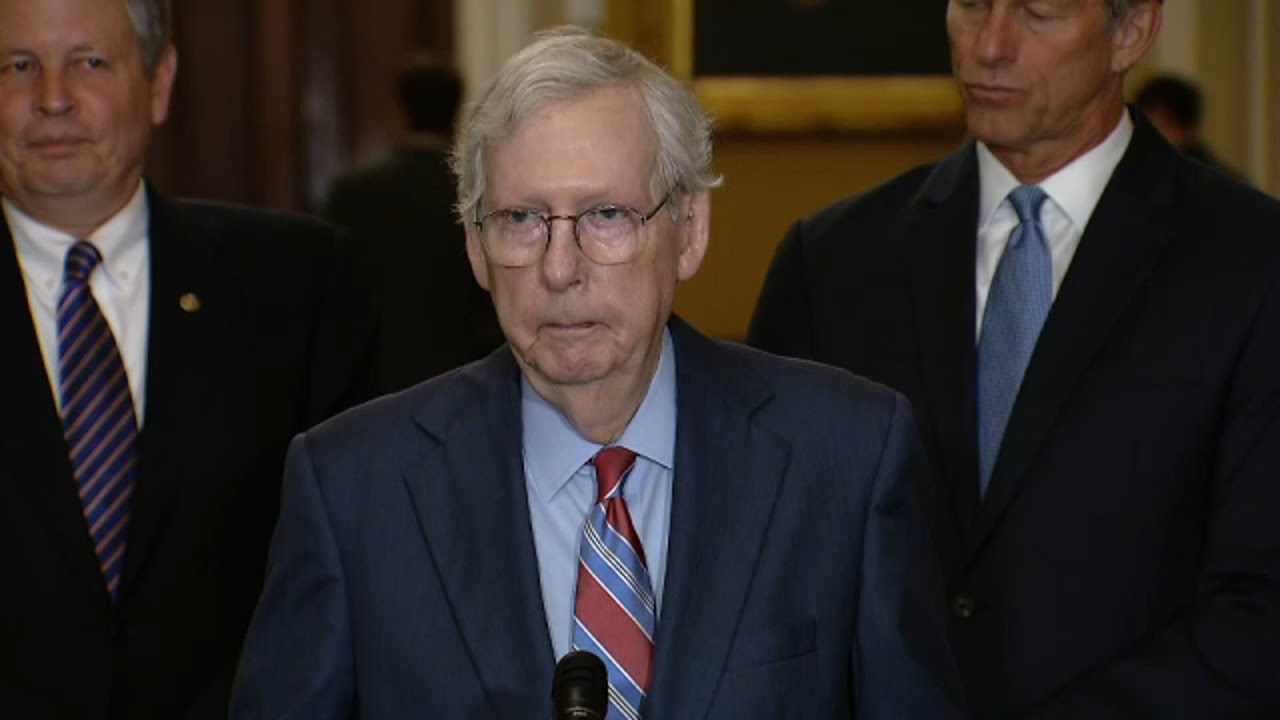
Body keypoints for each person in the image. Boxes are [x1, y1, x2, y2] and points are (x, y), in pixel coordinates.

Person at [230, 26, 965, 719]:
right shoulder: (354, 490)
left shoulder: (845, 459)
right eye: (521, 220)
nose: (559, 269)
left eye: (606, 215)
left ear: (690, 231)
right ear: (476, 250)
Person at [749, 0, 1280, 717]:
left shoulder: (1250, 264)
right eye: (971, 5)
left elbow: (1260, 609)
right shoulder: (832, 262)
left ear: (1132, 31)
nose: (989, 47)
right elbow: (767, 575)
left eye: (1039, 13)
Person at [0, 0, 377, 716]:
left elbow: (360, 575)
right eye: (18, 66)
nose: (52, 98)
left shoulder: (299, 287)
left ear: (160, 80)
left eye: (89, 62)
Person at [325, 55, 502, 393]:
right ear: (457, 111)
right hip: (465, 380)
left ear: (399, 111)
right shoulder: (478, 189)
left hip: (373, 384)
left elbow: (336, 297)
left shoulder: (354, 192)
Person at [1134, 72, 1238, 175]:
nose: (1153, 134)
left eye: (1164, 125)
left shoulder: (1213, 180)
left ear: (1188, 130)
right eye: (1147, 123)